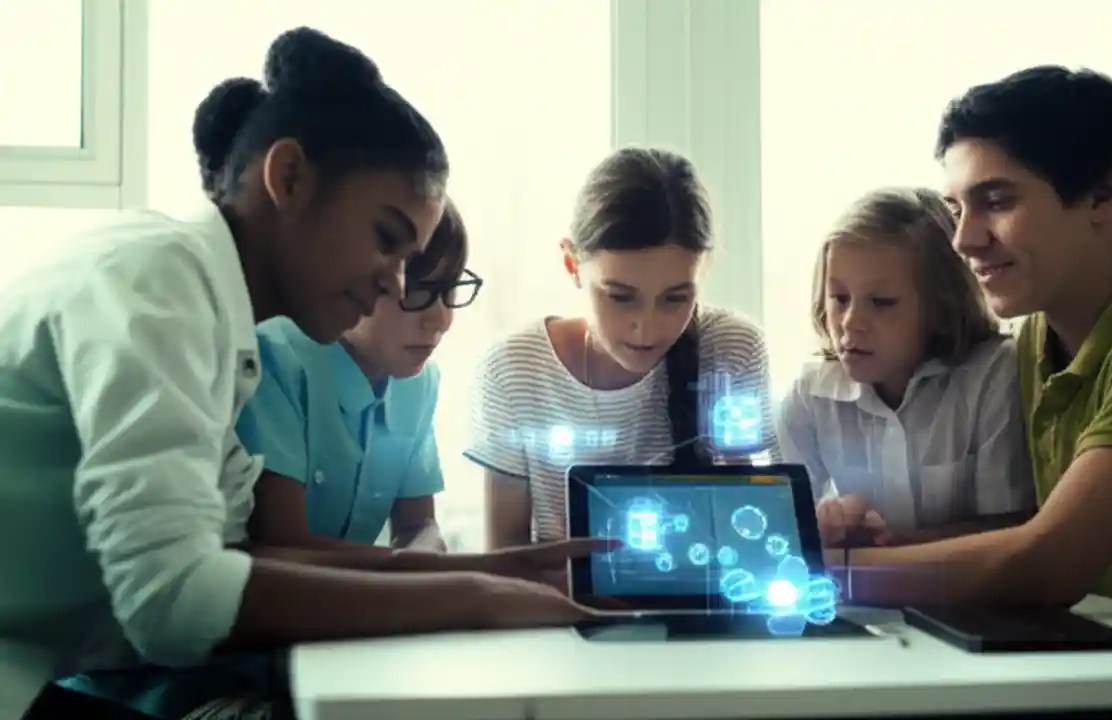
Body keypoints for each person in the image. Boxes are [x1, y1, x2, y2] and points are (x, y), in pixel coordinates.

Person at [0, 27, 606, 720]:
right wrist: (469, 598)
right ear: (288, 178)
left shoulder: (217, 321)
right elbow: (173, 601)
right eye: (386, 238)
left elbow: (235, 556)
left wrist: (470, 569)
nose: (393, 282)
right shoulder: (156, 284)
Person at [827, 65, 1112, 634]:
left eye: (995, 201)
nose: (964, 239)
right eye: (957, 209)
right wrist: (896, 543)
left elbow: (1049, 563)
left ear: (1102, 193)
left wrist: (825, 573)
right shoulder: (1035, 340)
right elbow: (1034, 525)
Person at [466, 147, 780, 550]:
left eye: (675, 298)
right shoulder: (514, 370)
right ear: (572, 264)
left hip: (701, 606)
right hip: (559, 609)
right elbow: (506, 559)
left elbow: (750, 528)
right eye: (620, 296)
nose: (645, 328)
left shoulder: (733, 349)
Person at [778, 187, 1035, 548]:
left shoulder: (994, 375)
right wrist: (825, 528)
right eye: (839, 298)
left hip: (975, 600)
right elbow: (786, 530)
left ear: (941, 305)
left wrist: (901, 545)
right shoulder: (810, 396)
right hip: (861, 601)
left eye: (882, 302)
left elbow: (1012, 529)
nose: (850, 323)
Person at [237, 198, 480, 554]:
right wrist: (410, 572)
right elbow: (286, 546)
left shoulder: (418, 382)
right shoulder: (276, 357)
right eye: (416, 292)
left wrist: (421, 558)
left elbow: (418, 525)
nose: (440, 319)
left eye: (449, 290)